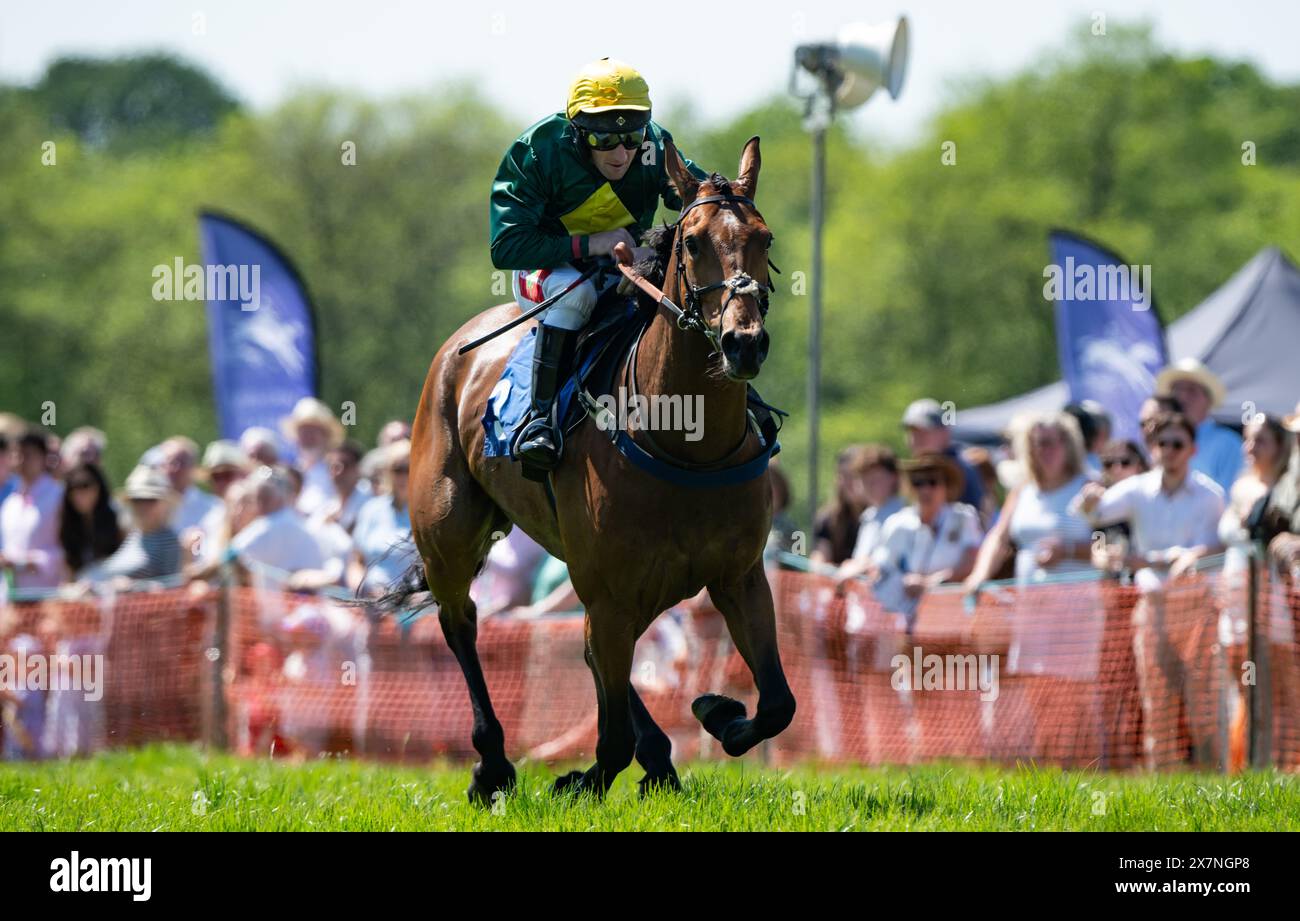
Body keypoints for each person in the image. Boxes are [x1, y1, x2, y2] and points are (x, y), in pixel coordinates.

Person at [491, 57, 708, 470]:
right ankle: (540, 422)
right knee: (577, 296)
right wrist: (594, 245)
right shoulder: (536, 152)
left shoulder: (654, 146)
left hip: (628, 265)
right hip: (547, 269)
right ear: (577, 130)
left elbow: (698, 195)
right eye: (604, 140)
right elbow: (507, 247)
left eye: (631, 136)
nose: (622, 152)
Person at [1073, 411, 1225, 769]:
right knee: (1158, 702)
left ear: (1192, 449)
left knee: (1203, 703)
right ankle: (1165, 789)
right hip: (1152, 605)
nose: (1168, 451)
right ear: (1151, 448)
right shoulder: (1136, 489)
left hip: (1196, 606)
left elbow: (1211, 550)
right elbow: (1092, 516)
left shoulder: (1209, 495)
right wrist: (1090, 497)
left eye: (1177, 444)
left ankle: (1220, 784)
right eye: (1161, 443)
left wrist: (1150, 559)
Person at [869, 453, 982, 624]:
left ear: (946, 486)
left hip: (953, 618)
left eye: (932, 482)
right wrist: (902, 582)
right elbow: (880, 567)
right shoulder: (898, 523)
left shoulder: (963, 517)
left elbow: (971, 560)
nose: (925, 490)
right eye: (918, 483)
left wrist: (930, 583)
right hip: (907, 618)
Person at [80, 466, 181, 585]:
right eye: (137, 500)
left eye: (150, 500)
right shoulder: (135, 536)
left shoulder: (169, 541)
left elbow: (173, 590)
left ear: (164, 504)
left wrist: (133, 587)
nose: (143, 506)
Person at [1154, 358, 1241, 493]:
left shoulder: (1228, 443)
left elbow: (1229, 498)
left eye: (1191, 391)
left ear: (1208, 400)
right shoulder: (1156, 439)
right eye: (1176, 390)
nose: (1182, 398)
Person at [350, 440, 418, 596]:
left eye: (409, 468)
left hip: (414, 609)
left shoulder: (430, 513)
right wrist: (361, 589)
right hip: (372, 605)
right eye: (398, 469)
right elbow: (356, 562)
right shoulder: (371, 509)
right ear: (388, 472)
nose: (404, 476)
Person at [0, 430, 65, 591]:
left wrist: (26, 562)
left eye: (28, 454)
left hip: (49, 594)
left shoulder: (59, 496)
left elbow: (68, 548)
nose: (21, 460)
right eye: (17, 454)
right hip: (13, 596)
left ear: (43, 458)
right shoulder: (11, 502)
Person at [901, 398, 985, 511]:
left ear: (944, 432)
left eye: (924, 431)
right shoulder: (916, 469)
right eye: (912, 432)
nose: (916, 438)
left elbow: (974, 517)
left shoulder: (960, 469)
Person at [836, 446, 904, 582]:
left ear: (893, 478)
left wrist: (857, 566)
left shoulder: (902, 516)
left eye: (876, 478)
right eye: (865, 478)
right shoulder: (868, 517)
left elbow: (883, 562)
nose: (870, 484)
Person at [811, 445, 875, 567]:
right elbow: (820, 559)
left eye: (855, 475)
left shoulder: (879, 517)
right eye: (844, 475)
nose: (850, 482)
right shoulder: (828, 519)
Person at [280, 398, 345, 517]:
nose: (307, 436)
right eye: (303, 430)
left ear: (326, 436)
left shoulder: (338, 470)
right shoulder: (291, 472)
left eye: (313, 430)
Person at [58, 463, 123, 578]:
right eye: (74, 488)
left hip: (115, 583)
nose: (80, 494)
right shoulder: (68, 525)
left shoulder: (116, 517)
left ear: (98, 488)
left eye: (85, 486)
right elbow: (70, 573)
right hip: (84, 590)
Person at [159, 436, 220, 534]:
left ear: (193, 467)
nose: (174, 469)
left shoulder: (214, 508)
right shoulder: (150, 507)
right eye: (169, 462)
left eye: (181, 463)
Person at [308, 439, 371, 534]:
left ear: (357, 469)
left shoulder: (371, 504)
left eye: (346, 465)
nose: (339, 472)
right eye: (334, 467)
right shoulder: (325, 506)